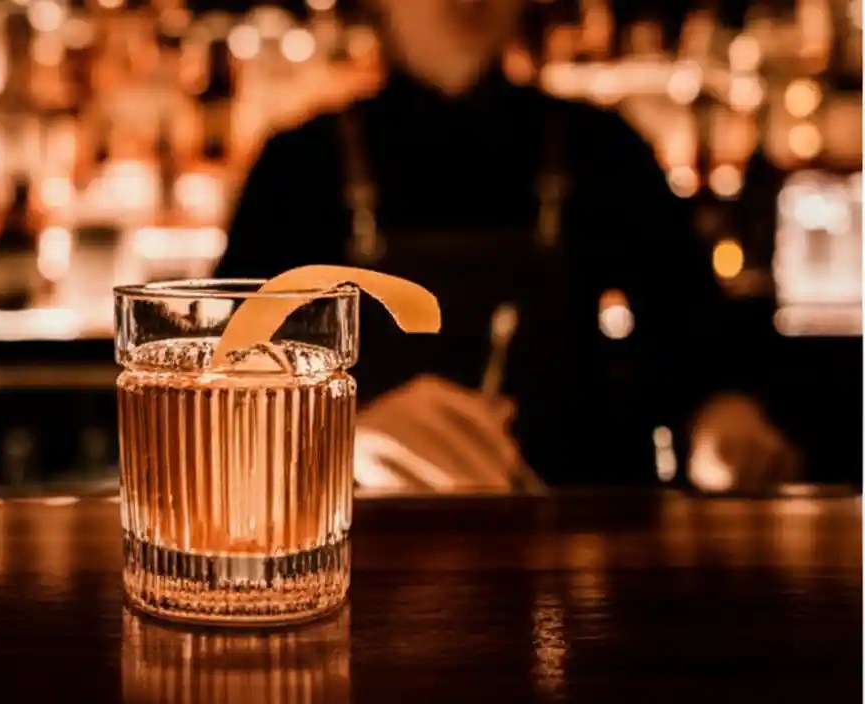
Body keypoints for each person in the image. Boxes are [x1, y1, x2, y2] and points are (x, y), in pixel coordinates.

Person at [215, 0, 798, 493]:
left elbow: (694, 337)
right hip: (359, 549)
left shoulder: (601, 148)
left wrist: (723, 424)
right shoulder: (298, 166)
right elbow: (224, 378)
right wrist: (342, 438)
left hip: (575, 537)